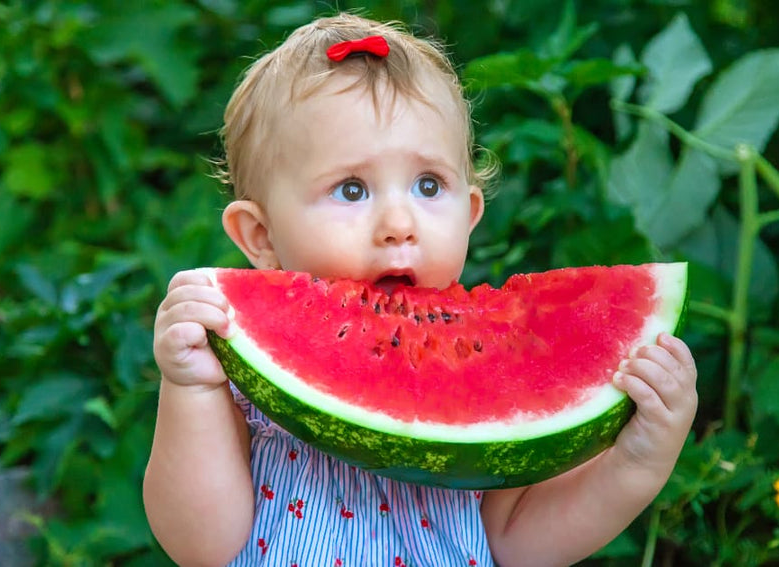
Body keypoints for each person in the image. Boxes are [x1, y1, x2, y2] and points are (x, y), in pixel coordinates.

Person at [144, 12, 698, 567]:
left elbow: (521, 543)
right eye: (352, 189)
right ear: (260, 236)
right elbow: (202, 546)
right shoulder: (242, 374)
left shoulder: (493, 378)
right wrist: (191, 390)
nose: (398, 221)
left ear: (471, 212)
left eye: (428, 185)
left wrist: (638, 462)